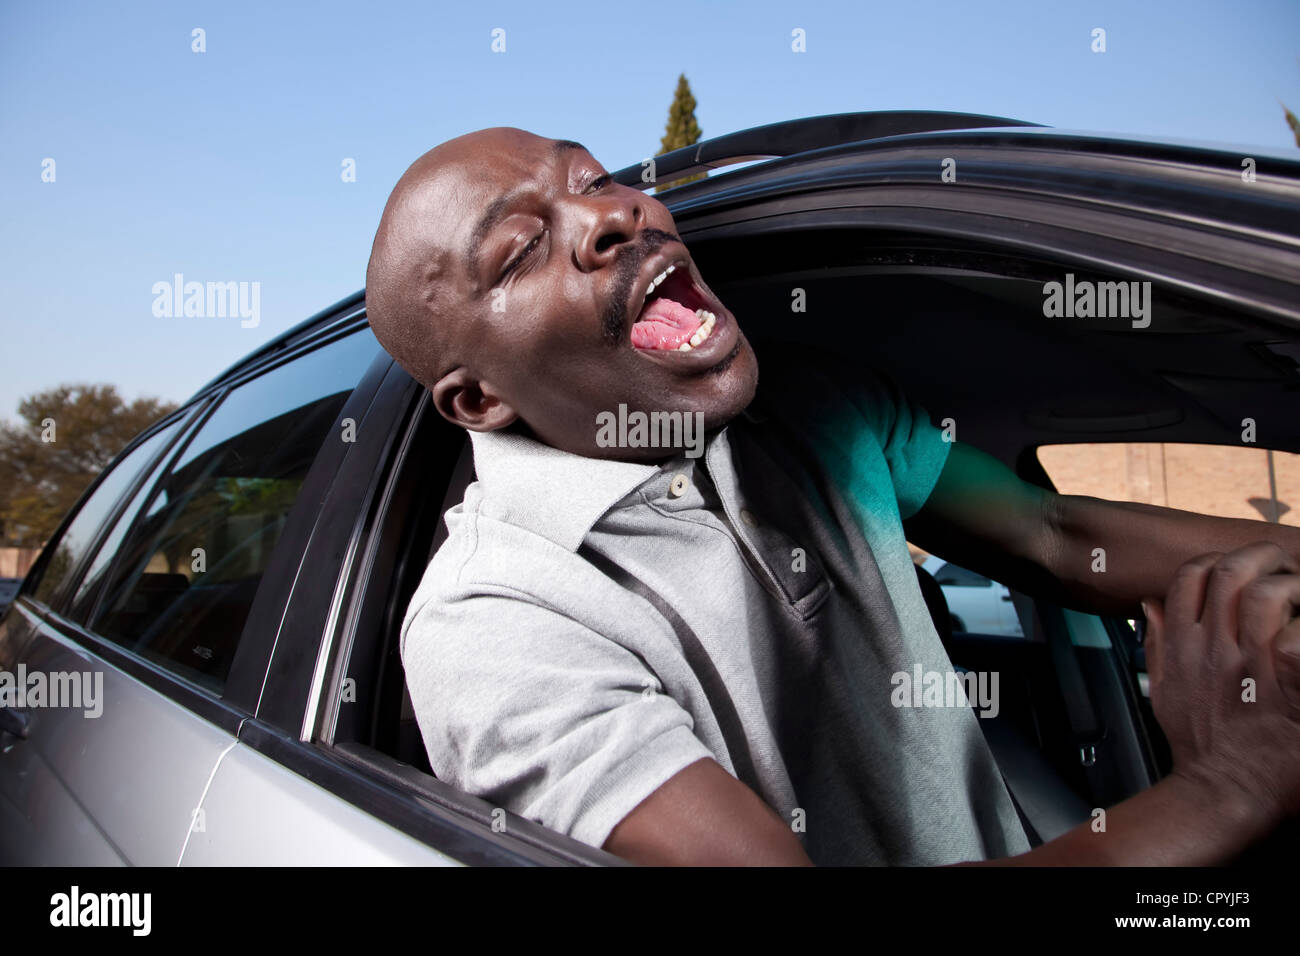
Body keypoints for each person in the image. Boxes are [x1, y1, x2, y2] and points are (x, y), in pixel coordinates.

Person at [365, 126, 1300, 866]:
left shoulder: (813, 407)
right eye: (523, 248)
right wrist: (1229, 785)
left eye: (594, 176)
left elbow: (1053, 532)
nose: (608, 217)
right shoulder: (491, 625)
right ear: (480, 399)